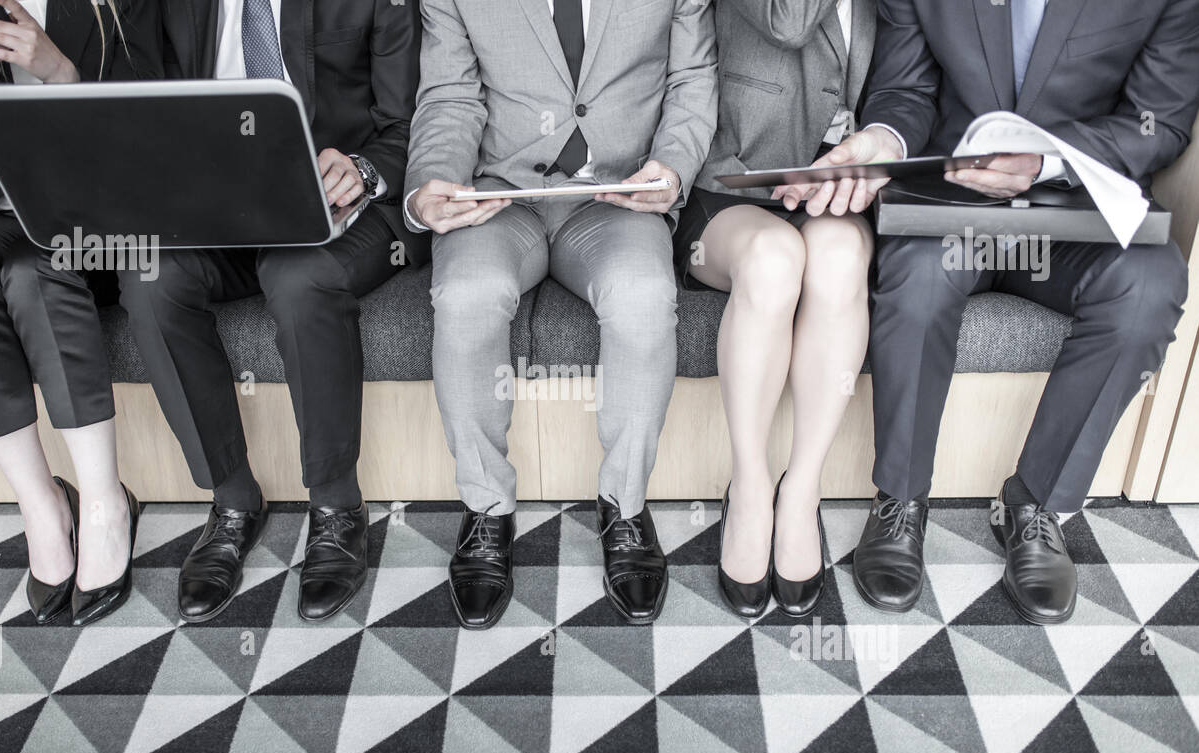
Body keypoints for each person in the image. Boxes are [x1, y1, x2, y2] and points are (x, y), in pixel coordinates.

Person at [775, 0, 1199, 625]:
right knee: (917, 278)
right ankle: (900, 500)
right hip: (949, 205)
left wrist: (1048, 160)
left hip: (1076, 208)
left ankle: (1035, 506)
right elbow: (904, 91)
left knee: (1152, 284)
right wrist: (880, 139)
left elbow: (1157, 122)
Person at [404, 0, 717, 629]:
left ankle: (624, 508)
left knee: (642, 294)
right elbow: (449, 97)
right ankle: (487, 510)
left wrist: (673, 170)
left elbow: (691, 81)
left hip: (617, 199)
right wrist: (430, 183)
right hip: (499, 194)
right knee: (466, 294)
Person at [116, 0, 426, 625]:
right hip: (223, 211)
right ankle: (232, 499)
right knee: (148, 275)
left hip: (347, 208)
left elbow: (412, 121)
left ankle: (337, 506)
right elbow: (148, 120)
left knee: (299, 274)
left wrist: (364, 171)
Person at [0, 0, 161, 626]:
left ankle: (106, 501)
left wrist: (58, 72)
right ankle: (41, 506)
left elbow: (154, 128)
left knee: (35, 269)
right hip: (7, 213)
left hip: (109, 216)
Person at [673, 0, 875, 619]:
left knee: (838, 259)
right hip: (732, 185)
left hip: (841, 192)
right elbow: (788, 19)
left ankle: (802, 489)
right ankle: (751, 487)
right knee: (774, 257)